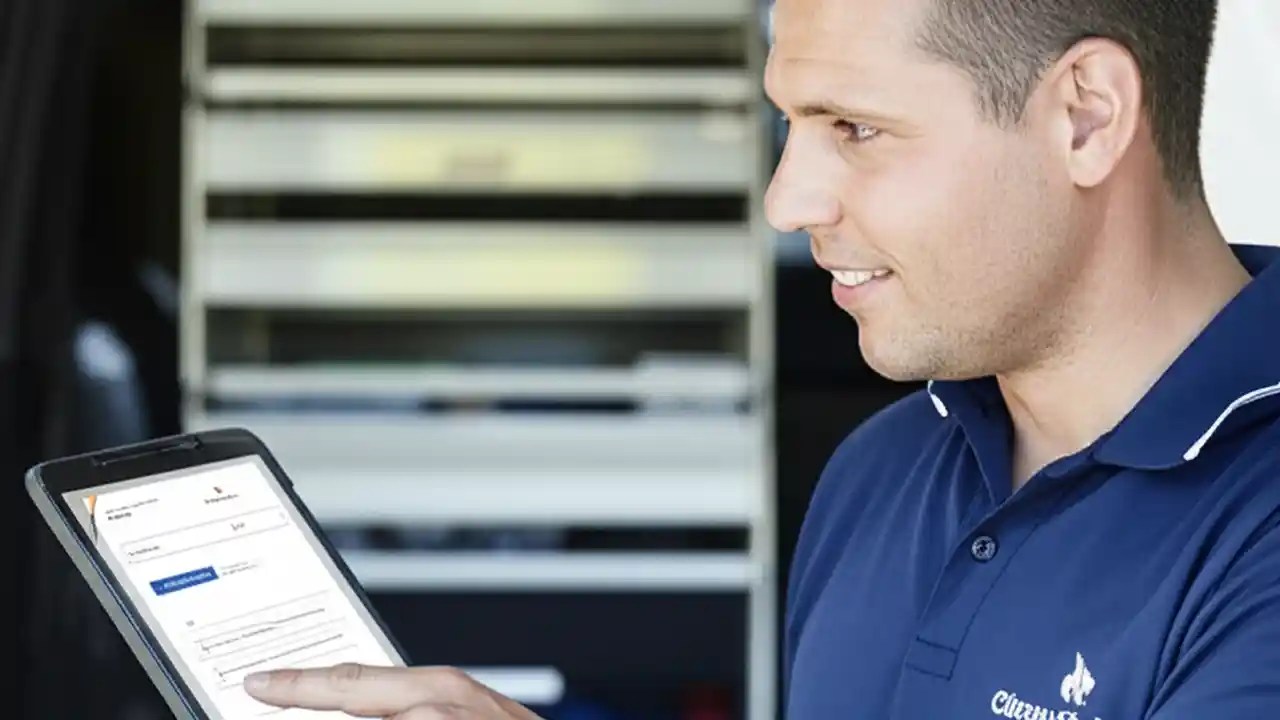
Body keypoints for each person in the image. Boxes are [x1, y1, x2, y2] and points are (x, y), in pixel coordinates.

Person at [243, 0, 1280, 717]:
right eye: (789, 123)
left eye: (855, 129)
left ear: (1084, 115)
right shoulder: (881, 472)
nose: (786, 202)